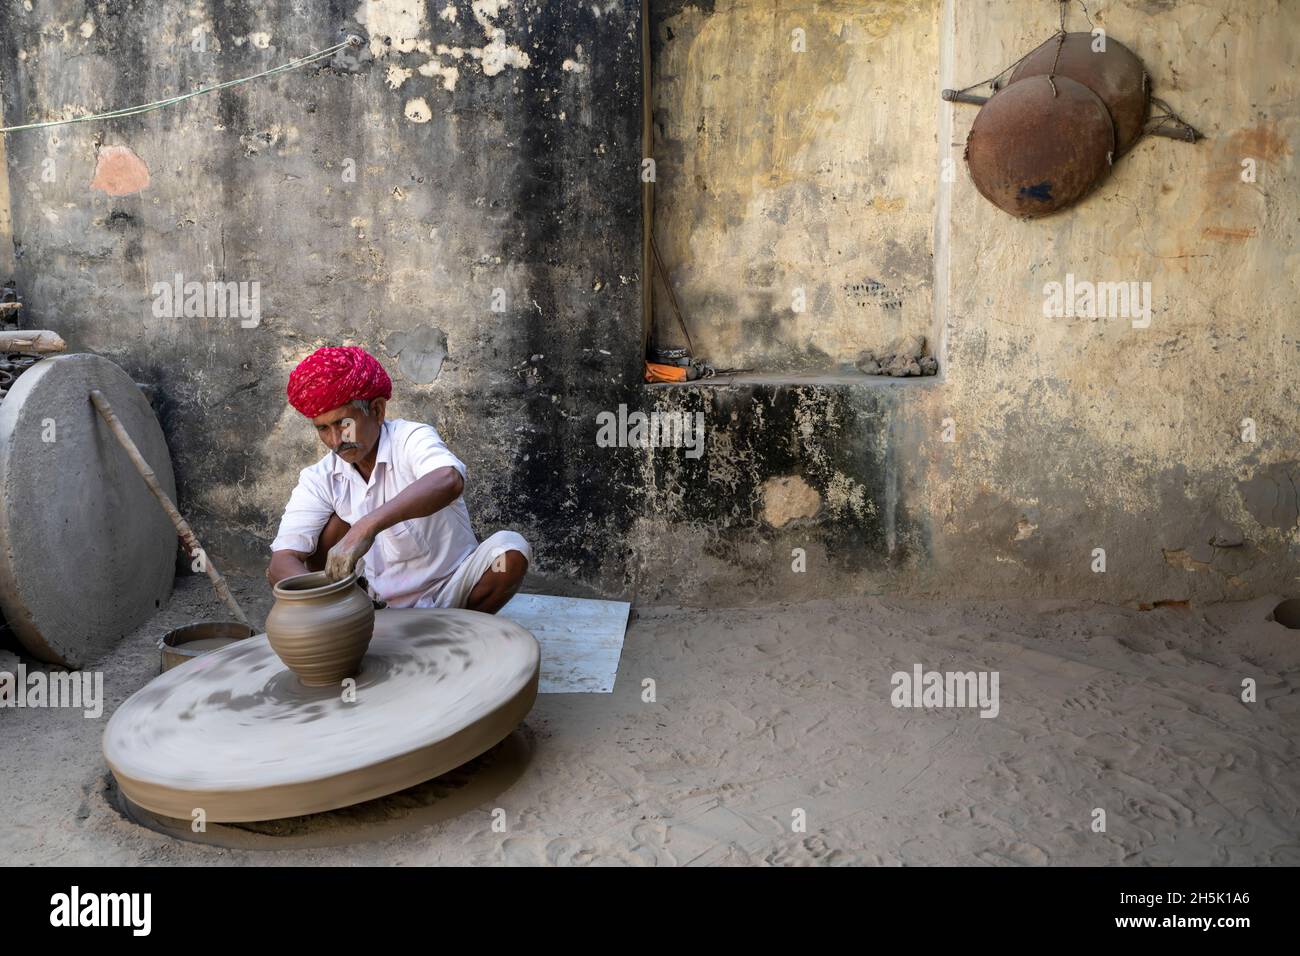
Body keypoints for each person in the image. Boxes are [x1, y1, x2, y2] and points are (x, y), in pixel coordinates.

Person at [266, 346, 529, 613]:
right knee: (329, 531)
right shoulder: (319, 478)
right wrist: (322, 601)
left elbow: (449, 479)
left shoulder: (411, 438)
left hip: (450, 592)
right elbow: (282, 561)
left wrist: (367, 526)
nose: (335, 441)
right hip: (376, 607)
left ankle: (456, 627)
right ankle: (354, 622)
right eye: (323, 428)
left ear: (377, 411)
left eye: (344, 424)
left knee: (510, 551)